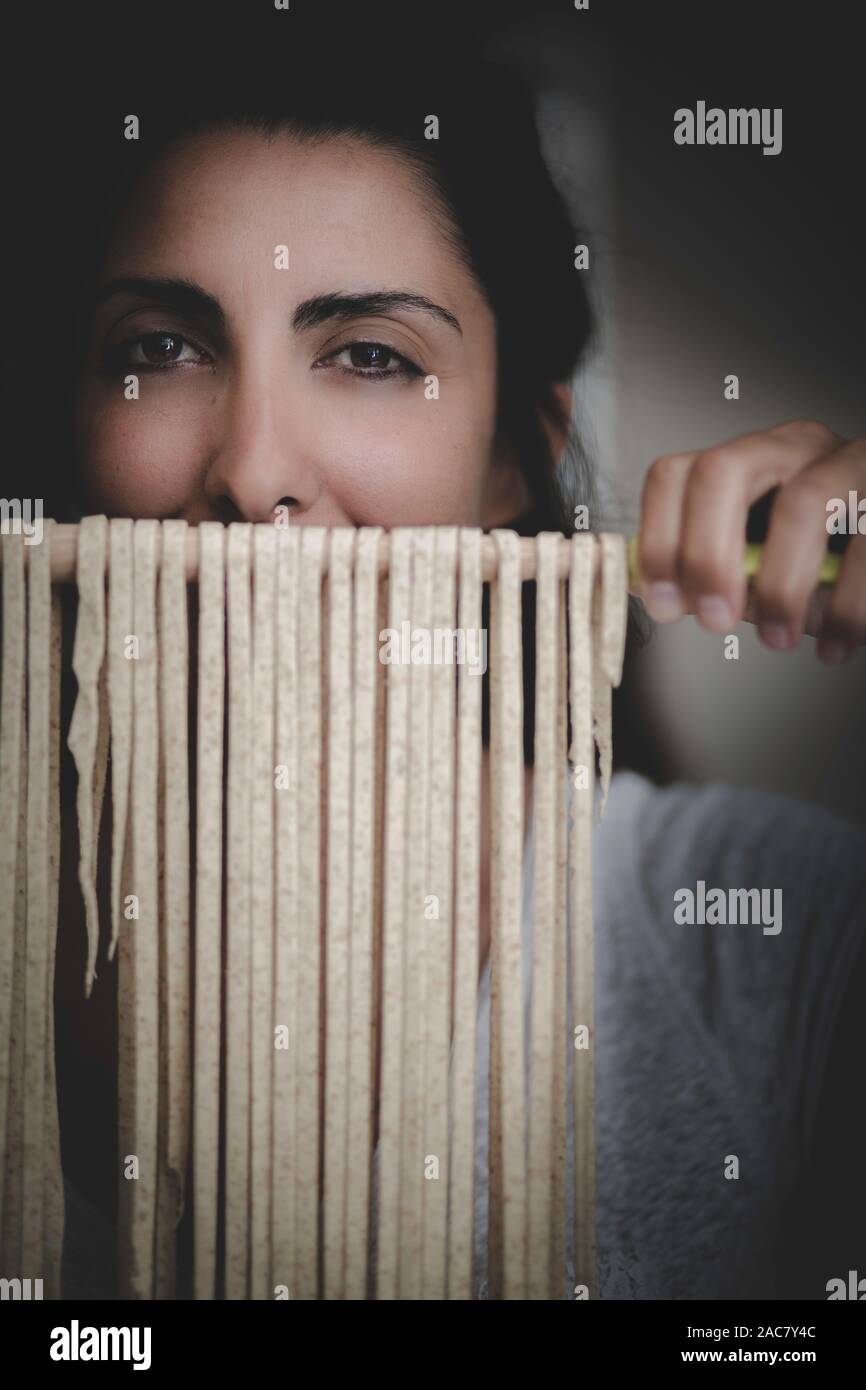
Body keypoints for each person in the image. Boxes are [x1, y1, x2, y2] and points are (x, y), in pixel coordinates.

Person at [25, 36, 866, 1299]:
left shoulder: (780, 937)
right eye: (159, 346)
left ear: (510, 462)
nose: (253, 474)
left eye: (370, 354)